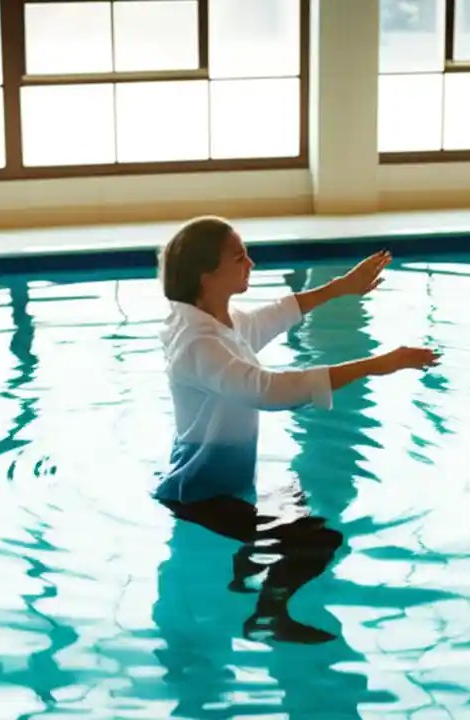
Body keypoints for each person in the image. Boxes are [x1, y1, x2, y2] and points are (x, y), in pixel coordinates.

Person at [154, 215, 440, 644]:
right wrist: (376, 365)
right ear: (206, 275)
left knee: (294, 500)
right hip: (200, 495)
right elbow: (269, 391)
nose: (251, 262)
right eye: (239, 256)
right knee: (317, 540)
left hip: (223, 484)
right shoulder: (200, 346)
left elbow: (273, 317)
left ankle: (244, 574)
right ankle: (268, 614)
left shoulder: (216, 322)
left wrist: (341, 286)